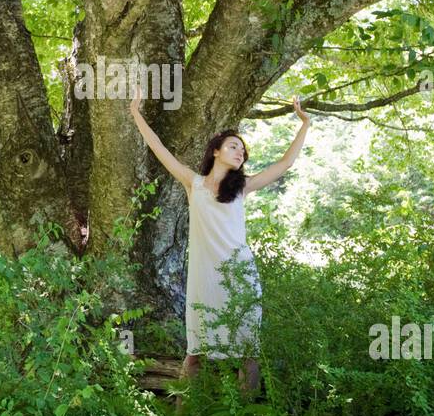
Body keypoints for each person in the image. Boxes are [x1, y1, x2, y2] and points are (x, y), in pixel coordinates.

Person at [129, 84, 311, 395]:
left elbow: (285, 164)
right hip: (204, 281)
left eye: (242, 150)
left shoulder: (242, 188)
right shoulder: (194, 183)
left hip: (240, 277)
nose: (240, 152)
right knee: (196, 353)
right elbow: (158, 148)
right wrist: (135, 111)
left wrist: (305, 124)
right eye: (233, 146)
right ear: (215, 150)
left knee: (247, 354)